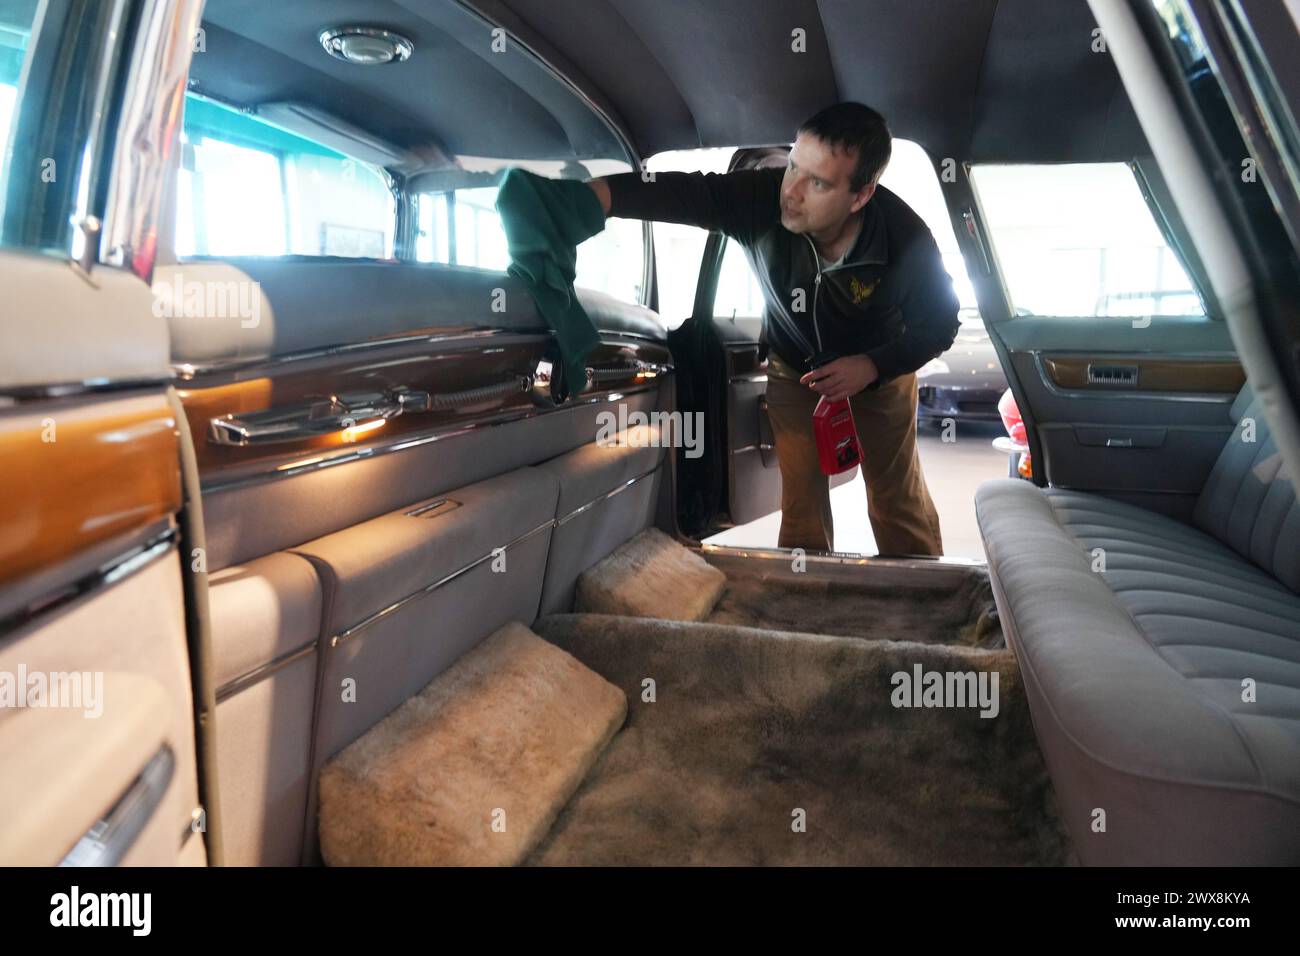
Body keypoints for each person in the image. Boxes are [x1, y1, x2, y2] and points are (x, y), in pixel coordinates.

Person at [586, 102, 959, 555]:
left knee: (894, 496)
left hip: (881, 374)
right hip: (794, 367)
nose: (792, 191)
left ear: (861, 195)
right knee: (800, 500)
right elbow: (683, 194)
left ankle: (922, 603)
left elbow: (940, 324)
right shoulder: (762, 199)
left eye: (817, 182)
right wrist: (598, 196)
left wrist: (870, 365)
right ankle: (802, 602)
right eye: (794, 168)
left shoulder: (905, 241)